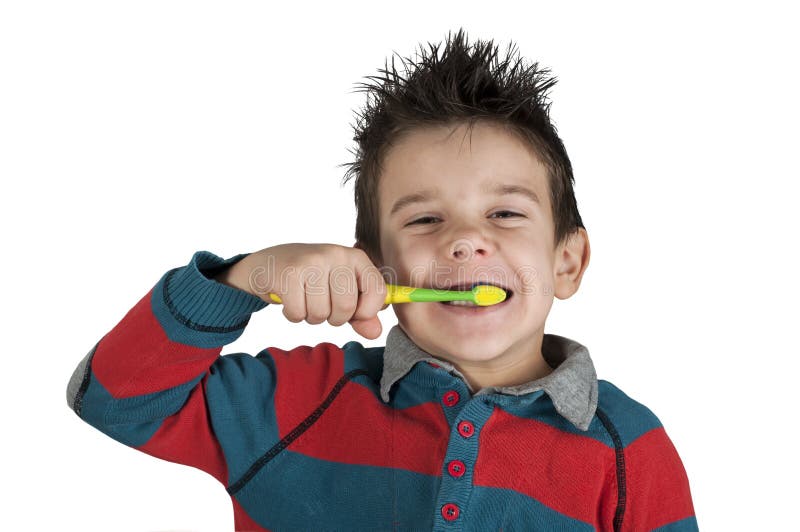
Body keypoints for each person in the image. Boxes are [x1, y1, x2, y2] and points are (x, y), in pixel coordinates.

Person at [67, 29, 697, 531]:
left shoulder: (629, 448)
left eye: (505, 214)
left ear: (568, 262)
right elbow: (112, 399)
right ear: (374, 268)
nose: (463, 239)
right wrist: (247, 276)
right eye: (425, 218)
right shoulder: (300, 401)